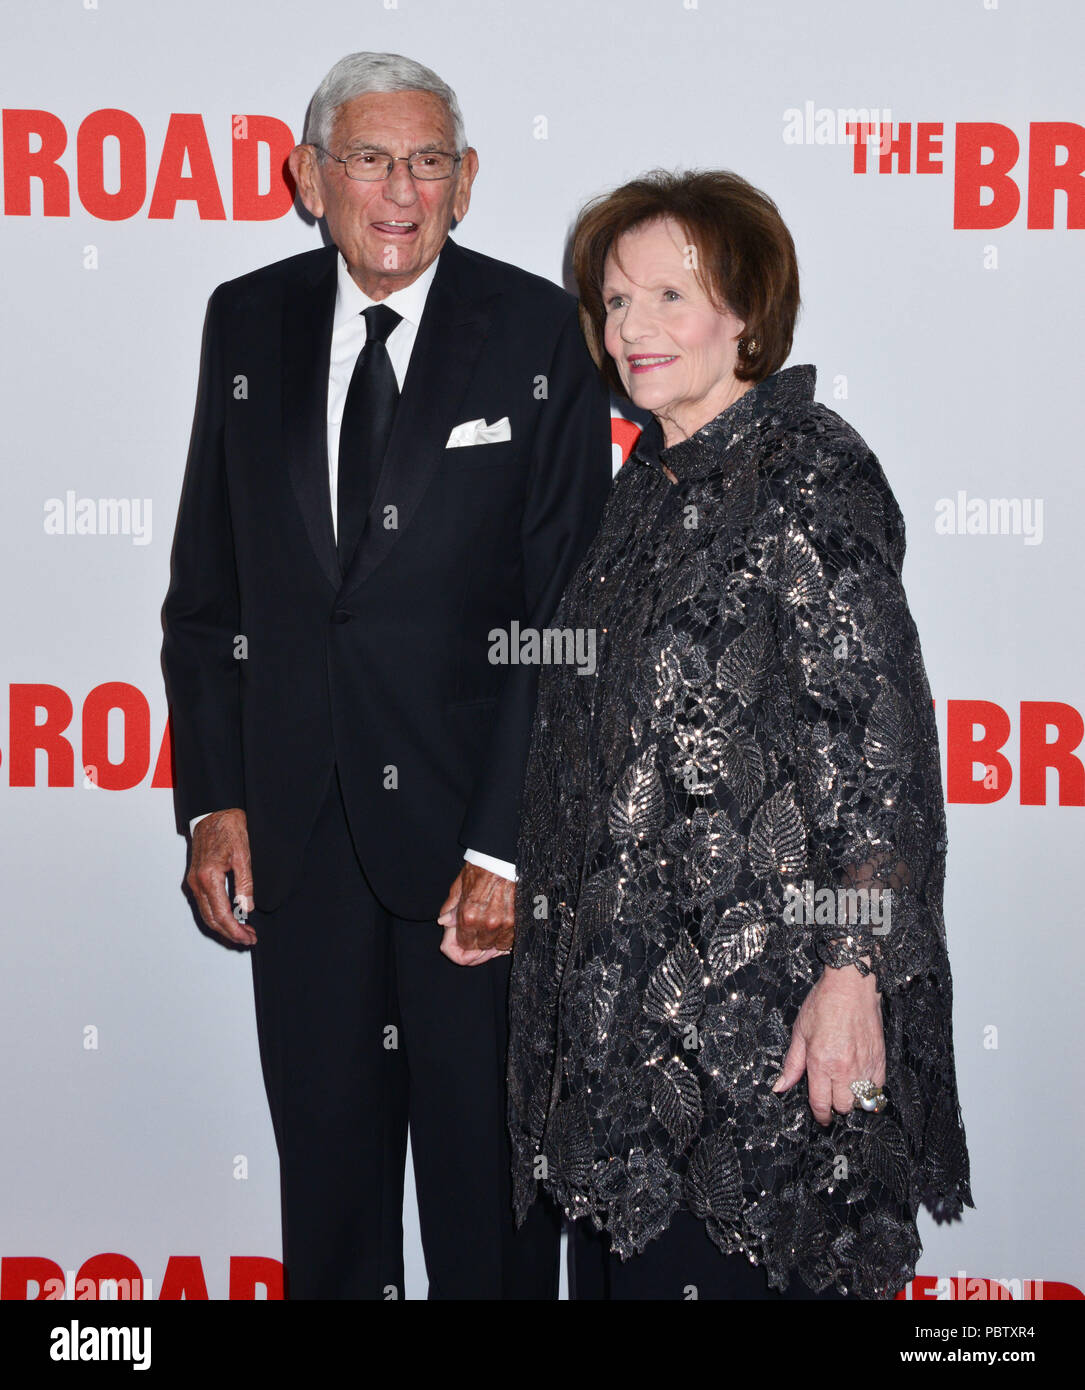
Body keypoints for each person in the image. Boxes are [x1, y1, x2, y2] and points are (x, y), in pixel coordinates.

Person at [161, 51, 612, 1299]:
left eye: (426, 161)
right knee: (332, 1216)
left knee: (490, 1226)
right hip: (297, 853)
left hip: (476, 864)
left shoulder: (542, 330)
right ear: (309, 177)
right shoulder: (242, 319)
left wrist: (512, 845)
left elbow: (564, 619)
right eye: (367, 157)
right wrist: (213, 802)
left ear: (465, 181)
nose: (398, 189)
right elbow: (208, 601)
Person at [507, 169, 973, 1300]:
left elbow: (877, 749)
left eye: (669, 296)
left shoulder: (807, 471)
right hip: (628, 1033)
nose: (632, 329)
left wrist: (852, 976)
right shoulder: (648, 483)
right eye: (615, 302)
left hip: (760, 1040)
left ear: (746, 315)